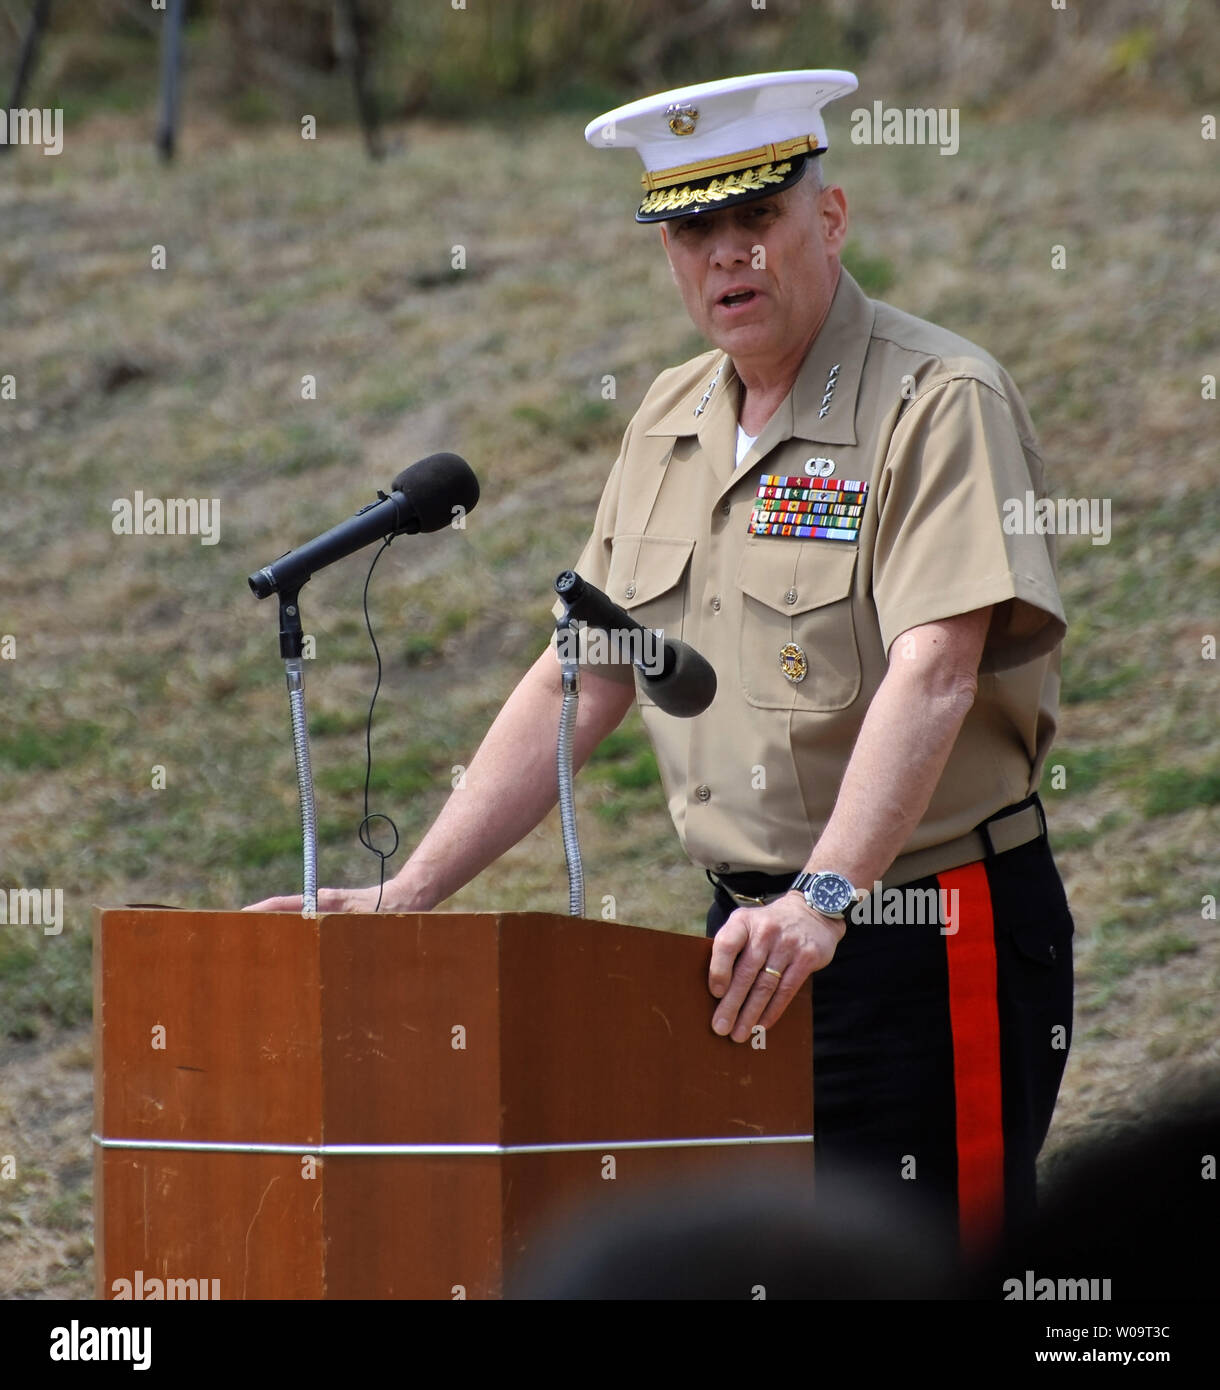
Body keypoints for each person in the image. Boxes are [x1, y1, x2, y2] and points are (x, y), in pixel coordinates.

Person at [249, 70, 1074, 1261]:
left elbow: (935, 671)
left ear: (827, 218)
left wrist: (827, 896)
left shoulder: (934, 400)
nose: (726, 256)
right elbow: (583, 672)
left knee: (931, 1265)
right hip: (743, 941)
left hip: (916, 930)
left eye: (756, 218)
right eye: (693, 230)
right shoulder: (669, 417)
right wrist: (409, 893)